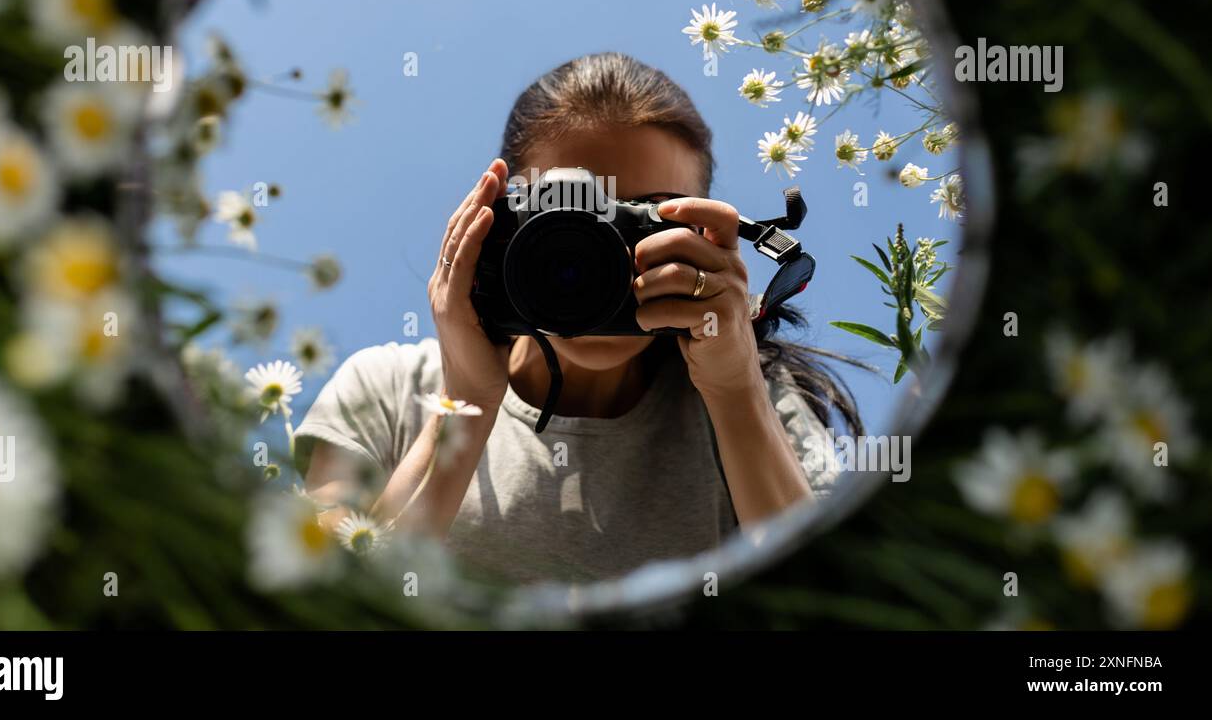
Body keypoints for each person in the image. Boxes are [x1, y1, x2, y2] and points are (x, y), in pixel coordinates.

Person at [295, 52, 861, 584]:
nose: (601, 260)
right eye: (571, 218)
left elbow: (823, 605)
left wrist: (736, 389)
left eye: (643, 224)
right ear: (494, 222)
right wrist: (464, 402)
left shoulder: (759, 395)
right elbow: (318, 608)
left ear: (706, 238)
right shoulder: (386, 389)